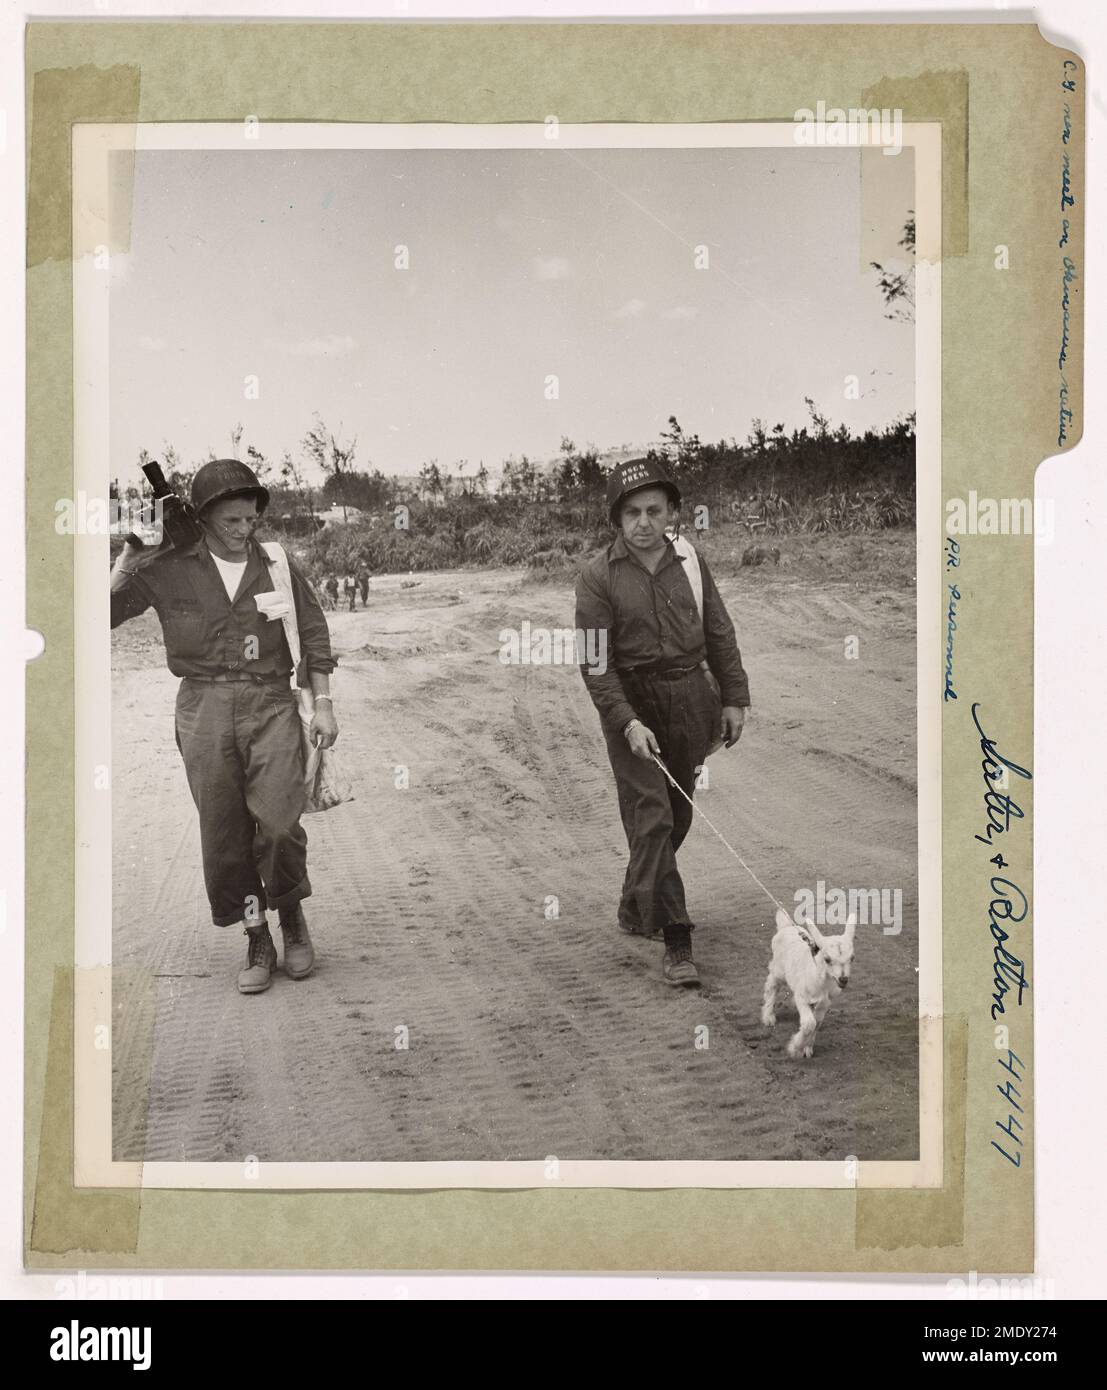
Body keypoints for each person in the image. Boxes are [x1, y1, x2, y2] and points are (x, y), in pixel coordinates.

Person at [110, 459, 339, 995]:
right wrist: (128, 560)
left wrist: (323, 703)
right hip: (204, 707)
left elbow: (314, 633)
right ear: (204, 517)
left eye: (251, 520)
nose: (244, 531)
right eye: (232, 521)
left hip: (271, 703)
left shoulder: (277, 564)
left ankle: (292, 918)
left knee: (281, 822)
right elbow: (97, 614)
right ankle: (256, 934)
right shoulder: (167, 567)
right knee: (224, 832)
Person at [574, 458, 751, 988]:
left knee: (677, 816)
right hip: (630, 702)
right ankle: (677, 937)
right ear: (616, 519)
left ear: (672, 512)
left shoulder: (692, 562)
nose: (643, 522)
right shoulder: (596, 577)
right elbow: (595, 664)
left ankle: (635, 905)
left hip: (689, 697)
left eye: (654, 510)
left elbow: (718, 630)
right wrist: (627, 723)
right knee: (651, 815)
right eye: (631, 512)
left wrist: (733, 699)